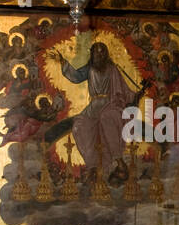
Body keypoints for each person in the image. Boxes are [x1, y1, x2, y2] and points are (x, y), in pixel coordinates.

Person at [49, 42, 136, 187]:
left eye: (102, 52)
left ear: (106, 54)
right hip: (94, 106)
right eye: (96, 52)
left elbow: (124, 89)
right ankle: (92, 166)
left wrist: (133, 97)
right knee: (79, 126)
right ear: (92, 55)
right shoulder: (89, 69)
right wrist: (62, 61)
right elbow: (76, 77)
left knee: (106, 118)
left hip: (111, 104)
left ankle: (119, 162)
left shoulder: (112, 69)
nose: (99, 55)